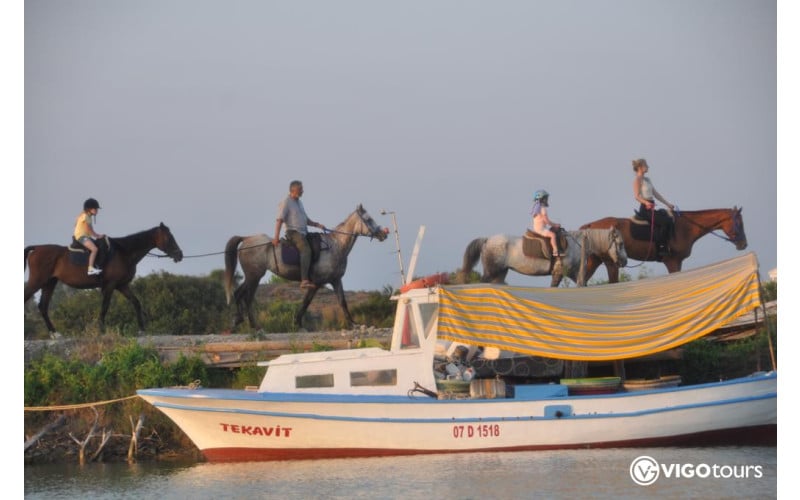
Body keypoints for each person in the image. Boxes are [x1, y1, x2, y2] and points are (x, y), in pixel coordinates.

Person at [273, 180, 327, 289]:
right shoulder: (286, 202)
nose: (303, 191)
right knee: (306, 250)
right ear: (294, 190)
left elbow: (305, 219)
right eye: (301, 189)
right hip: (293, 232)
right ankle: (304, 280)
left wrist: (317, 225)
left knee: (317, 243)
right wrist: (276, 237)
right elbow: (279, 220)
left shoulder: (299, 202)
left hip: (303, 232)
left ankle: (315, 276)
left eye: (302, 189)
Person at [632, 158, 675, 255]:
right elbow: (637, 196)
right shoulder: (637, 180)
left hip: (651, 206)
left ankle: (668, 243)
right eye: (646, 165)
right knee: (665, 221)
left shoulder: (647, 179)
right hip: (645, 209)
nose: (648, 167)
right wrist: (646, 203)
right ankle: (661, 247)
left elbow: (656, 194)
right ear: (640, 167)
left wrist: (668, 204)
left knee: (669, 218)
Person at [74, 198, 105, 275]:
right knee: (94, 249)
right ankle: (90, 269)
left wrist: (97, 235)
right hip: (81, 237)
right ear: (89, 209)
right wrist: (97, 236)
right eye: (95, 208)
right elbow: (89, 230)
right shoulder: (87, 217)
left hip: (83, 235)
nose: (97, 210)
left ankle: (96, 264)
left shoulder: (82, 215)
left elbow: (76, 226)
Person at [531, 189, 561, 256]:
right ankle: (555, 251)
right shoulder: (542, 208)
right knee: (553, 235)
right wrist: (555, 225)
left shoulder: (536, 208)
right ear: (542, 199)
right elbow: (547, 221)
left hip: (536, 229)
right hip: (541, 230)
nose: (547, 200)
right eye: (545, 198)